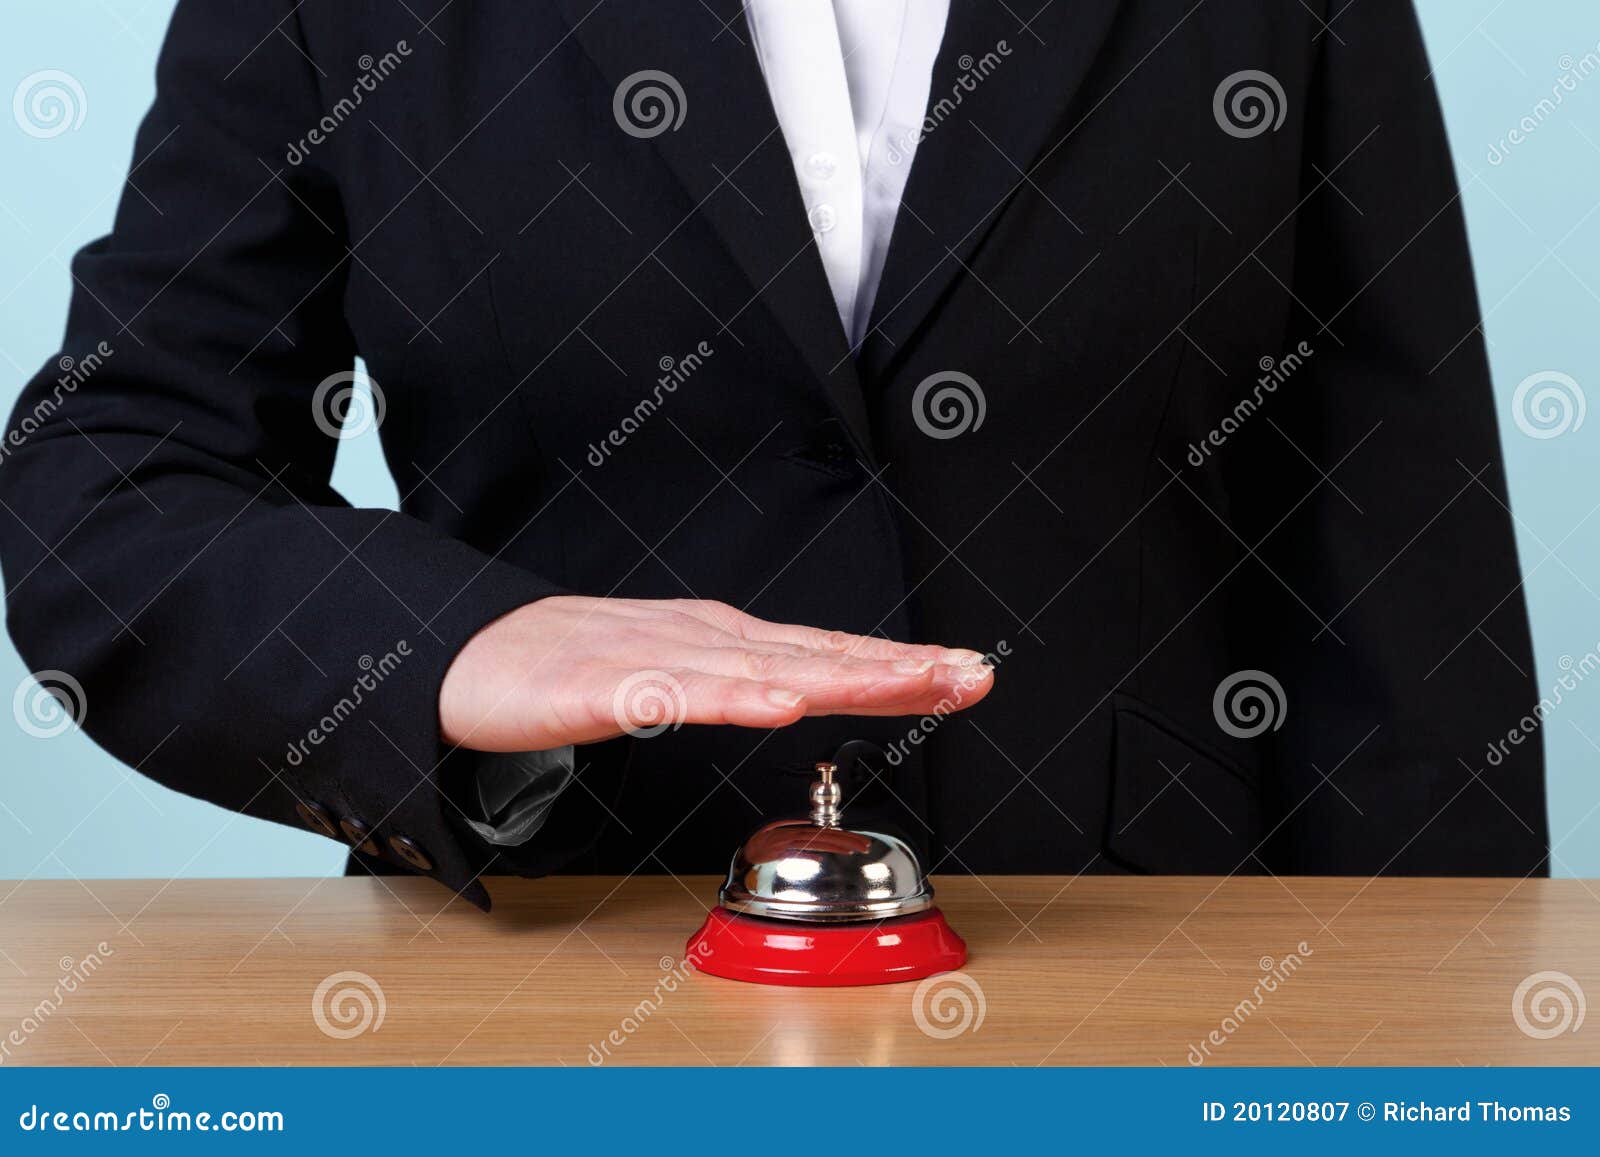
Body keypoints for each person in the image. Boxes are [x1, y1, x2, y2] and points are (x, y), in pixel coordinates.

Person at [0, 0, 1546, 911]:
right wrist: (451, 647)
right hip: (542, 1010)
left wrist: (1435, 1075)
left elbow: (1406, 555)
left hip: (1150, 998)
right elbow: (115, 472)